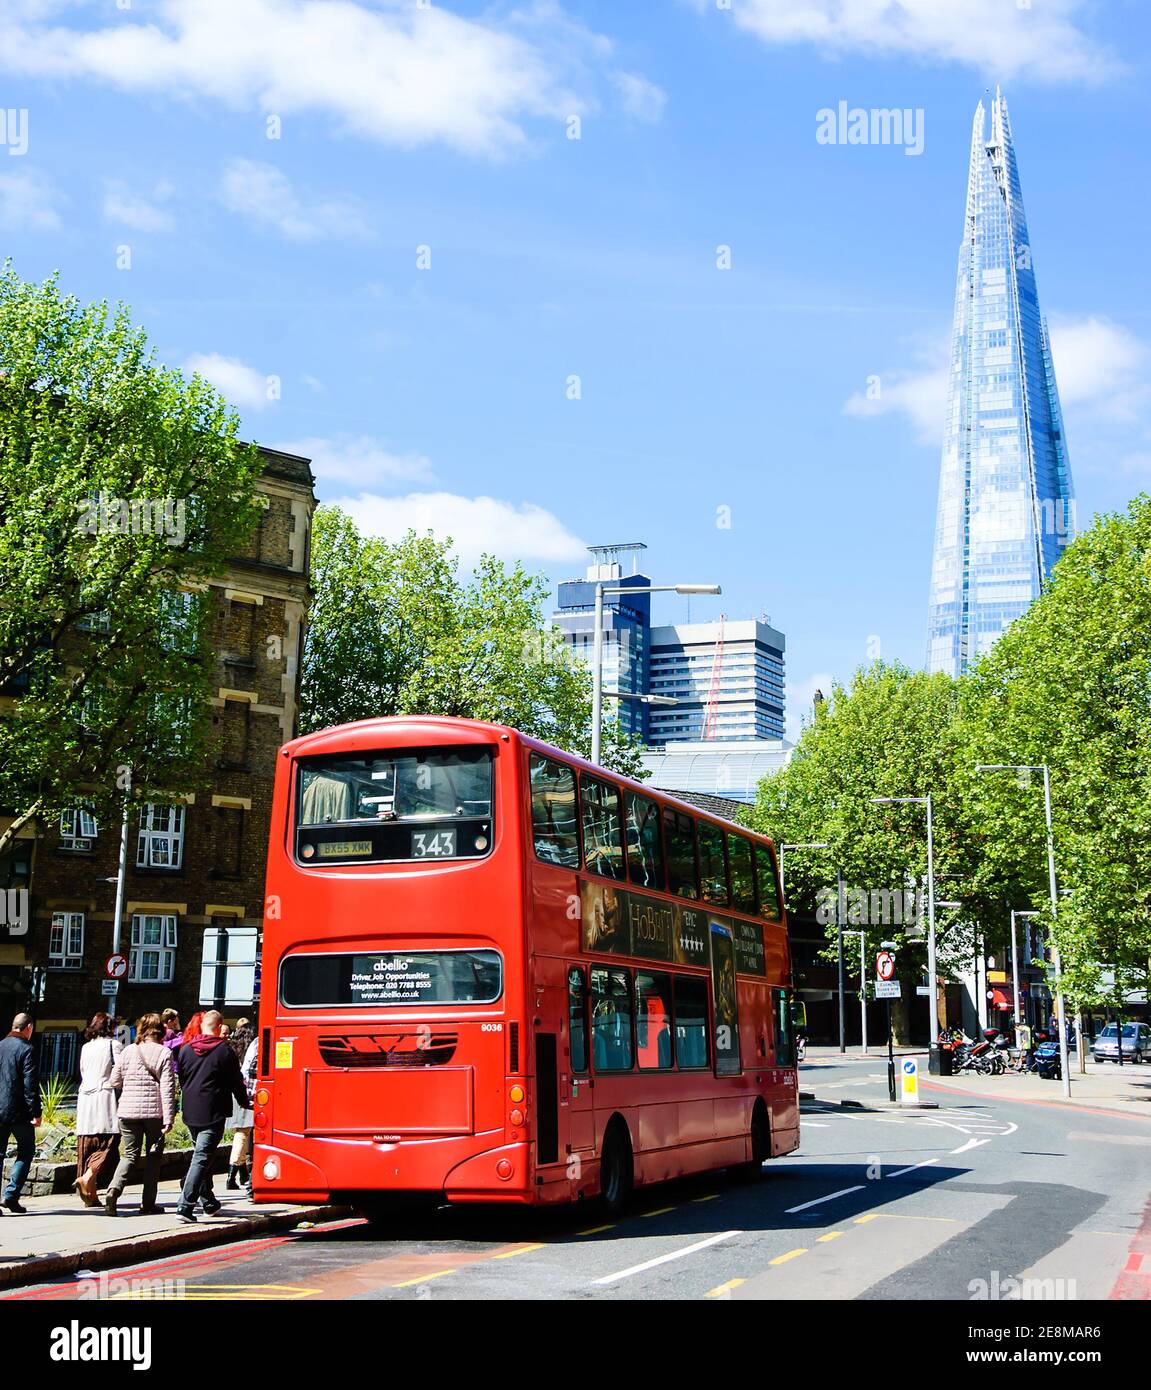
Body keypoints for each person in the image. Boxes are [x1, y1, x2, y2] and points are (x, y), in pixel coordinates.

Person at [175, 1010, 250, 1224]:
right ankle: (185, 1204)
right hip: (213, 1111)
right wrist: (245, 1103)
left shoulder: (186, 1050)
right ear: (218, 1028)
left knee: (202, 1156)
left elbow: (183, 1079)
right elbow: (236, 1083)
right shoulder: (224, 1051)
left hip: (190, 1112)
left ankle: (208, 1201)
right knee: (201, 1158)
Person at [105, 1013, 176, 1216]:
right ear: (160, 1031)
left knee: (129, 1155)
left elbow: (114, 1080)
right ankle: (148, 1204)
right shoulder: (164, 1052)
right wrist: (169, 1119)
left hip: (127, 1112)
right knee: (153, 1158)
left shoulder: (128, 1051)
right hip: (154, 1114)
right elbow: (167, 1089)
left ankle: (113, 1190)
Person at [74, 1012, 124, 1206]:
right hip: (105, 1096)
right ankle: (87, 1177)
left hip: (86, 1097)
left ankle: (91, 1196)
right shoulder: (114, 1045)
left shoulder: (86, 1047)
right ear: (110, 1027)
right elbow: (119, 1073)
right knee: (108, 1141)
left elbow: (83, 1072)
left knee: (87, 1142)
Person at [0, 1012, 41, 1213]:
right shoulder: (27, 1049)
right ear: (29, 1028)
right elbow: (29, 1084)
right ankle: (11, 1195)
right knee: (26, 1150)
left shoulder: (0, 1046)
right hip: (18, 1112)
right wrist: (36, 1111)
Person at [226, 1021, 257, 1191]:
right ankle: (232, 1177)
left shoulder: (233, 1048)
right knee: (243, 1133)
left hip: (236, 1092)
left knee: (243, 1132)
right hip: (247, 1093)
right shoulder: (255, 1046)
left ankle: (242, 1174)